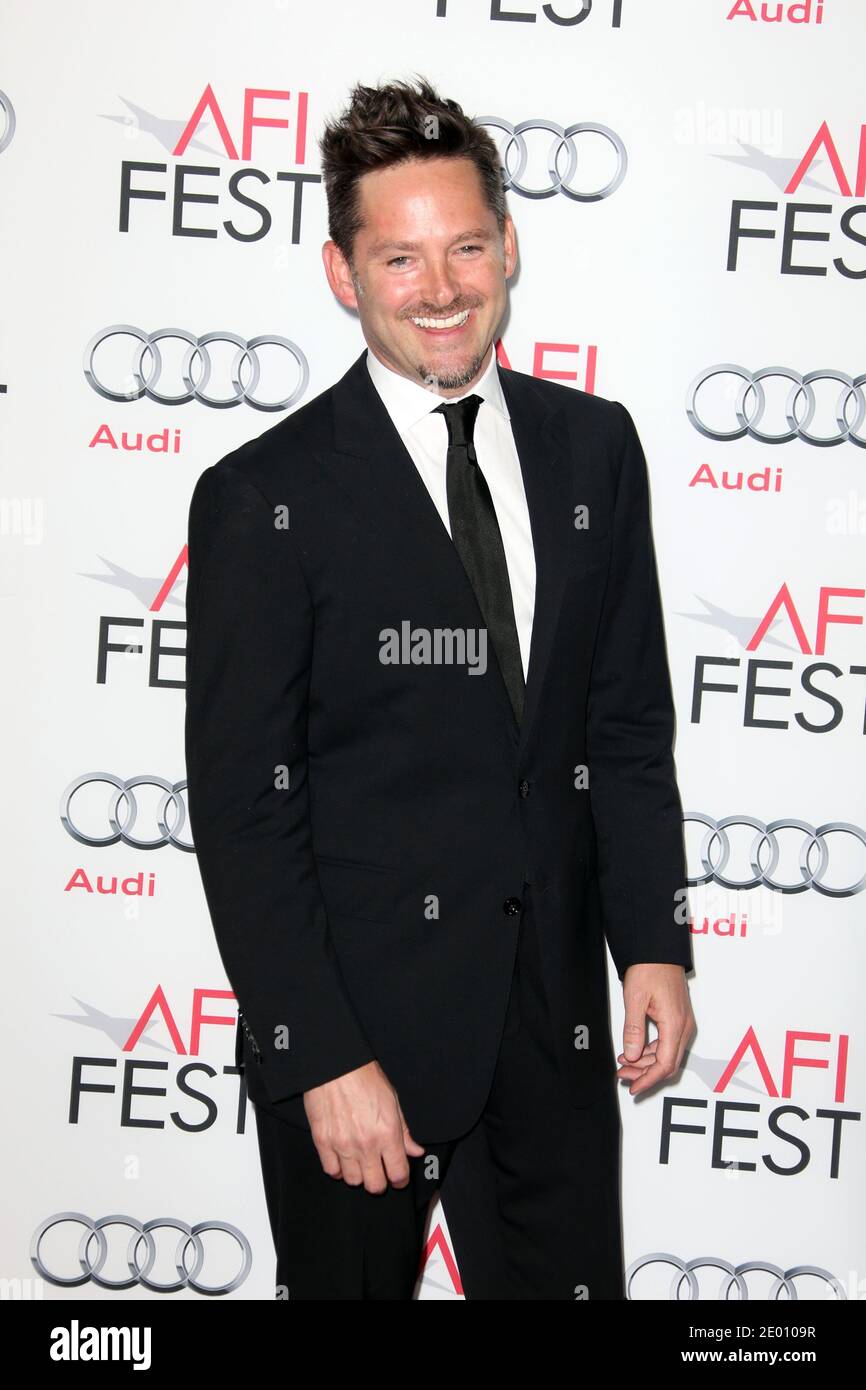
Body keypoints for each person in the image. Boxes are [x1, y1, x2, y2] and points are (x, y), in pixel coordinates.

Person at [184, 75, 696, 1301]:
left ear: (509, 246)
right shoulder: (263, 496)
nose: (442, 288)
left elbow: (622, 725)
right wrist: (321, 1057)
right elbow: (245, 808)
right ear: (340, 273)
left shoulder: (595, 448)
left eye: (465, 246)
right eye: (399, 258)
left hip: (551, 1029)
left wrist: (653, 945)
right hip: (361, 1038)